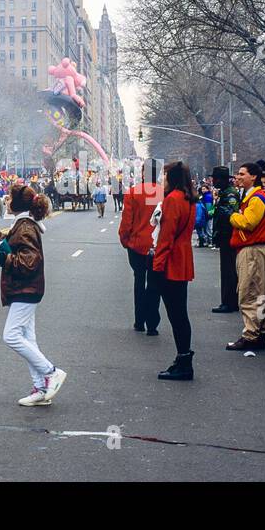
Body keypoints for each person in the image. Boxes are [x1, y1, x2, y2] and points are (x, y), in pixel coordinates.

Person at [0, 184, 65, 406]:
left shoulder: (25, 227)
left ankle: (51, 372)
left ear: (18, 204)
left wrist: (1, 260)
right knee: (28, 339)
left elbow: (29, 262)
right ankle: (41, 389)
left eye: (9, 199)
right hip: (26, 288)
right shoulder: (23, 224)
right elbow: (11, 245)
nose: (6, 201)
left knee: (11, 335)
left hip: (26, 288)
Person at [153, 161, 196, 381]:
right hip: (183, 258)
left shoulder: (172, 200)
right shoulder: (189, 199)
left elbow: (166, 237)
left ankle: (183, 361)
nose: (162, 180)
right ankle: (184, 358)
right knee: (181, 314)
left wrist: (157, 265)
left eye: (165, 176)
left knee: (176, 314)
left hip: (171, 262)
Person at [225, 162, 265, 351]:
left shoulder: (256, 199)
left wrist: (233, 216)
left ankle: (251, 334)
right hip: (256, 249)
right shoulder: (254, 197)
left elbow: (248, 222)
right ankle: (261, 331)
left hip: (251, 250)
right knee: (262, 292)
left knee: (249, 291)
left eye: (242, 173)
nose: (238, 176)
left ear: (253, 177)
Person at [118, 161, 162, 337]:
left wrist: (125, 241)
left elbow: (126, 222)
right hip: (157, 245)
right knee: (154, 284)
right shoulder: (164, 194)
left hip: (136, 245)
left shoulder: (133, 192)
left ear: (143, 173)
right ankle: (152, 323)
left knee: (139, 281)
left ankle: (139, 321)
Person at [210, 166, 240, 313]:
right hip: (224, 236)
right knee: (227, 269)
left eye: (215, 178)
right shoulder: (224, 193)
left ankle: (229, 302)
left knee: (229, 270)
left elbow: (231, 215)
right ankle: (228, 301)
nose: (213, 181)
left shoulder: (230, 194)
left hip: (229, 236)